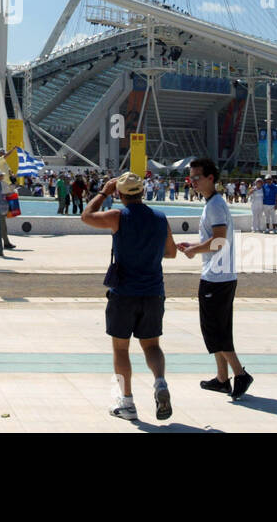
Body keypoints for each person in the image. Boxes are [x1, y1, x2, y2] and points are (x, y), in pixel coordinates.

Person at [82, 170, 177, 421]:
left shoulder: (117, 217)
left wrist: (103, 192)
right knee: (152, 345)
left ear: (120, 194)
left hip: (124, 293)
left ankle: (127, 402)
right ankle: (160, 382)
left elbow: (86, 216)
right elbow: (171, 252)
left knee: (120, 348)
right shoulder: (160, 218)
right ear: (143, 192)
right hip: (153, 292)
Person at [177, 158, 253, 400]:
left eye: (197, 177)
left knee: (215, 331)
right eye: (191, 177)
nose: (193, 181)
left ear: (211, 177)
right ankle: (222, 379)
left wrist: (193, 250)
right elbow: (215, 239)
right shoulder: (212, 203)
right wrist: (195, 246)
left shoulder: (215, 206)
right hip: (219, 274)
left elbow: (220, 240)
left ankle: (240, 373)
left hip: (217, 277)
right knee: (217, 329)